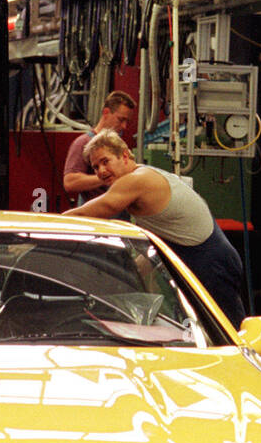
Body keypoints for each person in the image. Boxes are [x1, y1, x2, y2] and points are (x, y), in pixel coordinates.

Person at [65, 130, 247, 326]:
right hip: (196, 259)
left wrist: (47, 222)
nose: (100, 171)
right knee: (199, 334)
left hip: (212, 263)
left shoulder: (137, 180)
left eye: (105, 161)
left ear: (125, 156)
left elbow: (94, 210)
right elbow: (156, 246)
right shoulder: (139, 180)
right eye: (95, 167)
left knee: (228, 336)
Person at [63, 91, 137, 204]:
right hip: (95, 217)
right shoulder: (83, 143)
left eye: (127, 121)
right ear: (106, 112)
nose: (124, 126)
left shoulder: (119, 144)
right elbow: (70, 182)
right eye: (121, 120)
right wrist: (107, 176)